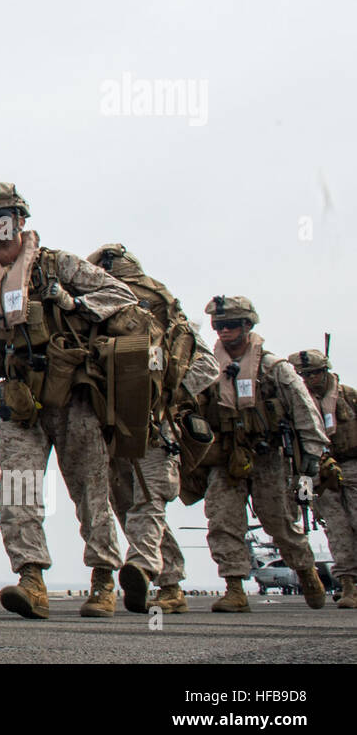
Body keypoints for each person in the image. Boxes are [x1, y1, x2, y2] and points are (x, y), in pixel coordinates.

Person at [0, 181, 136, 619]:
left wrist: (73, 303)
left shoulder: (58, 266)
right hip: (17, 403)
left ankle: (104, 579)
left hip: (73, 396)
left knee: (91, 492)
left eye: (2, 215)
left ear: (20, 218)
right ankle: (31, 578)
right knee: (18, 492)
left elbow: (120, 296)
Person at [87, 244, 219, 614]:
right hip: (117, 424)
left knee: (146, 500)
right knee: (135, 504)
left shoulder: (168, 320)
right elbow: (206, 365)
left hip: (147, 424)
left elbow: (206, 365)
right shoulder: (105, 316)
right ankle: (170, 582)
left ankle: (142, 567)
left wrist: (167, 396)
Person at [192, 297, 328, 611]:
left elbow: (304, 410)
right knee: (223, 520)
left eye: (230, 325)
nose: (223, 331)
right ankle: (235, 587)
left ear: (247, 325)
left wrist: (311, 453)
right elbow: (187, 402)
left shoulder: (273, 368)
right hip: (226, 455)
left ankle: (306, 570)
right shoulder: (208, 368)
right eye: (218, 325)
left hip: (267, 454)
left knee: (278, 520)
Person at [288, 349, 357, 609]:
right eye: (303, 375)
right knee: (337, 529)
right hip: (317, 472)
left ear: (325, 371)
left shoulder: (348, 396)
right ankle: (349, 584)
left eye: (315, 373)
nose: (310, 379)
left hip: (351, 465)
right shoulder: (294, 404)